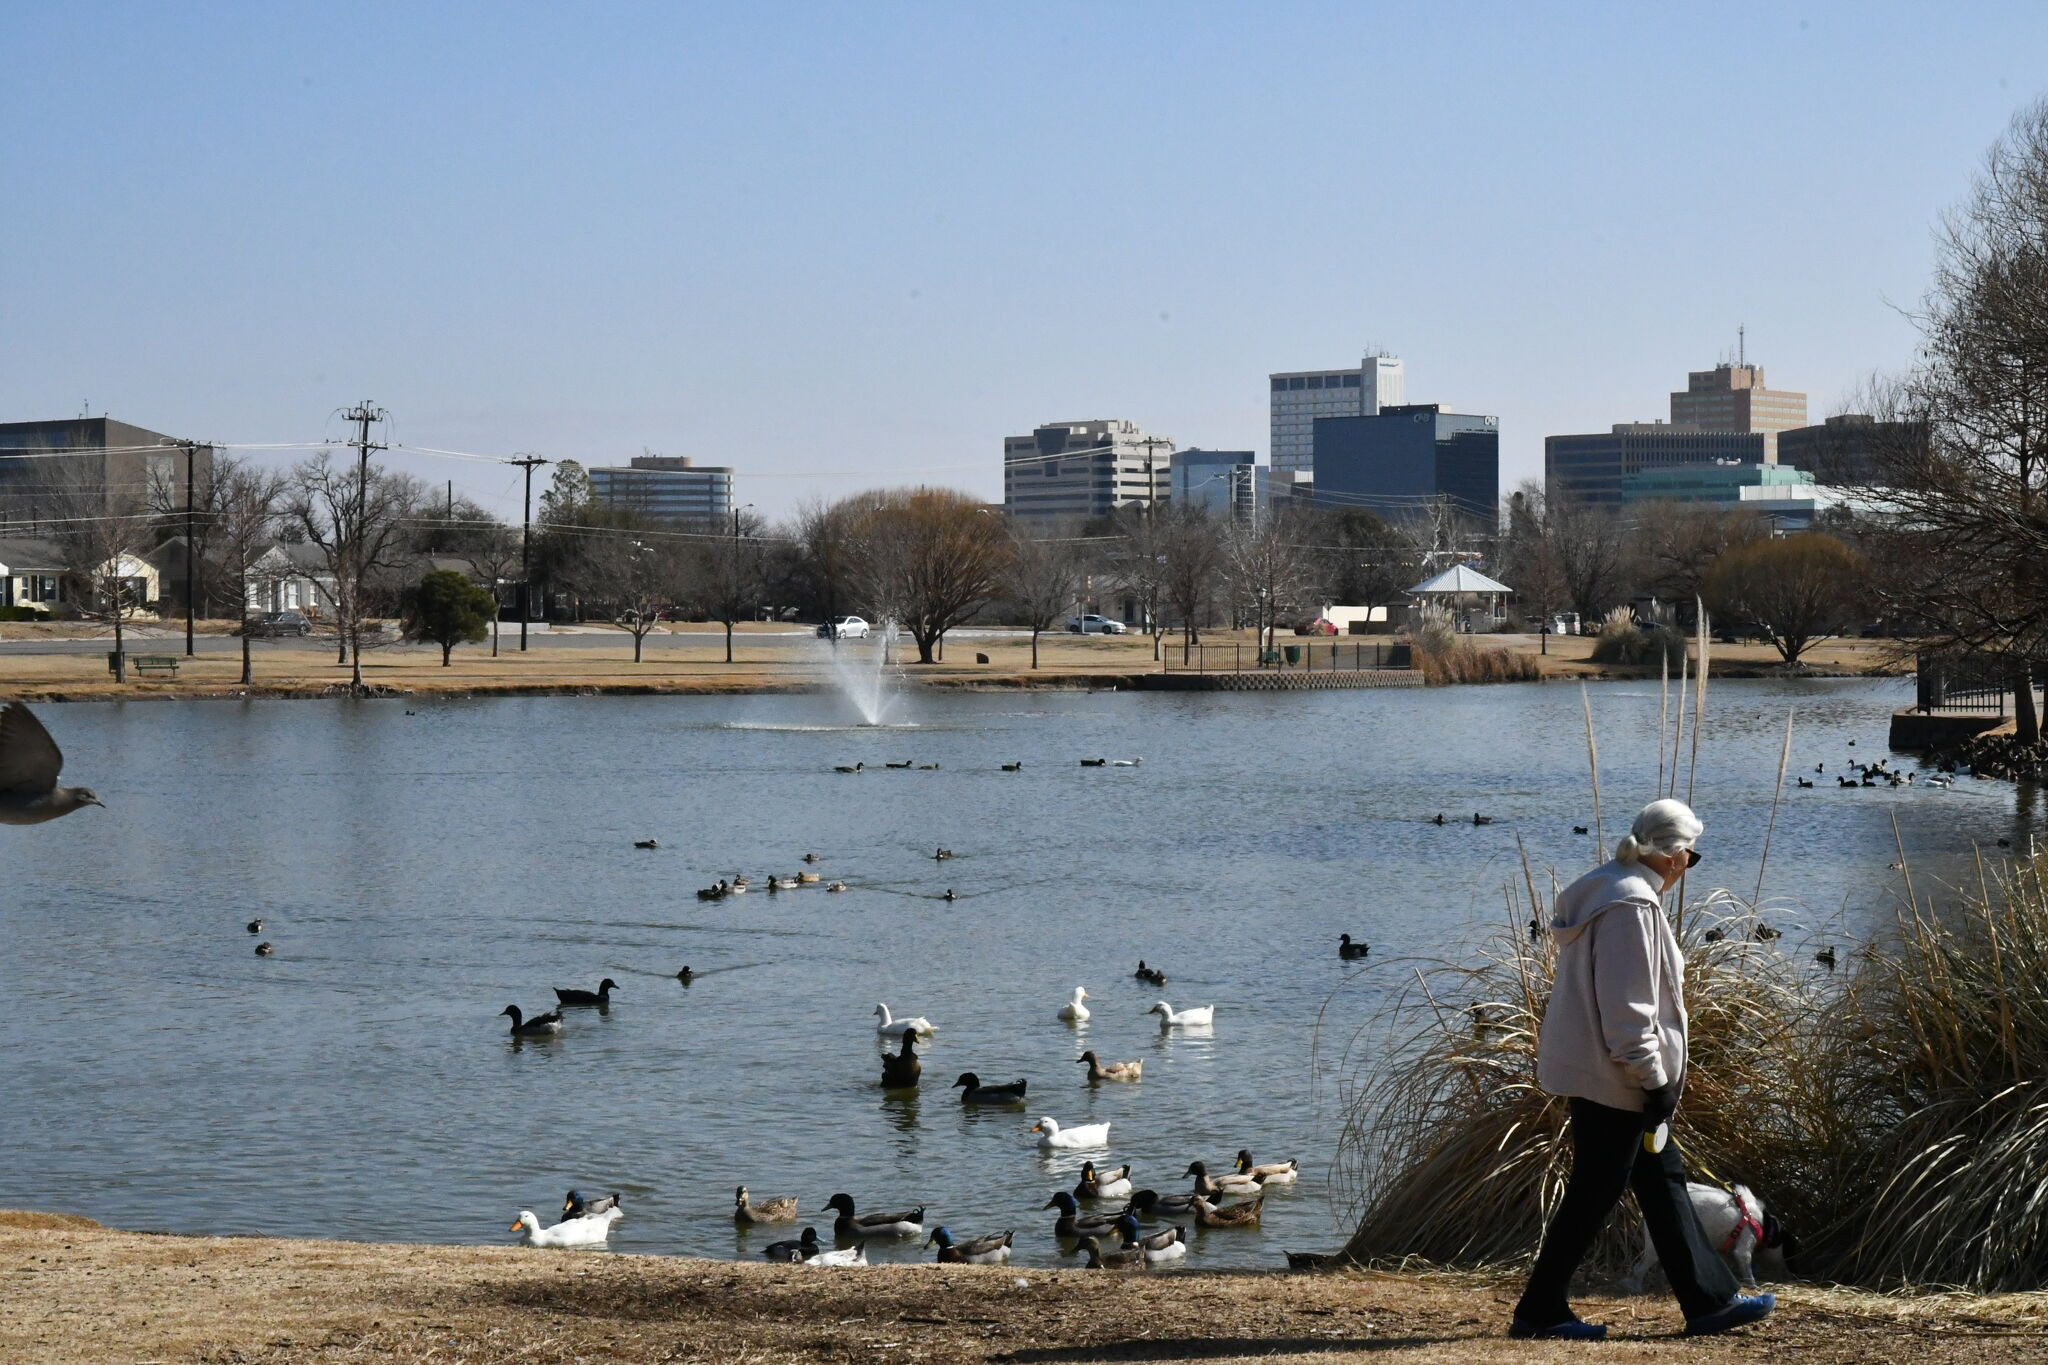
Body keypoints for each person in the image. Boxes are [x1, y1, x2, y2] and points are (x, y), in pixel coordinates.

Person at [1510, 798, 1776, 1340]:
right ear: (1676, 856)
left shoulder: (1612, 890)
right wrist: (1652, 1081)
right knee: (1596, 1191)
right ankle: (1539, 1312)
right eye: (1691, 858)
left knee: (1662, 1183)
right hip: (1619, 1082)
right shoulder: (1631, 907)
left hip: (1611, 1078)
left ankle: (1709, 1304)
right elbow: (1629, 1011)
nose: (1688, 869)